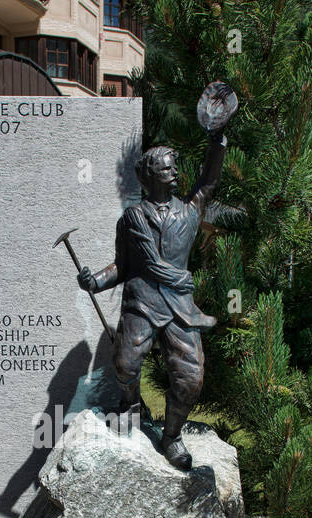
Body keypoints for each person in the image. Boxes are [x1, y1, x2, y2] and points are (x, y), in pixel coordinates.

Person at [77, 128, 227, 470]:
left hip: (179, 309)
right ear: (149, 177)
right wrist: (95, 282)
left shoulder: (189, 212)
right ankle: (130, 406)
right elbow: (123, 266)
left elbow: (209, 180)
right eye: (166, 168)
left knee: (190, 378)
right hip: (142, 304)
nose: (175, 172)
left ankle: (171, 436)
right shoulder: (132, 219)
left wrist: (217, 140)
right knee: (126, 365)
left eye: (175, 166)